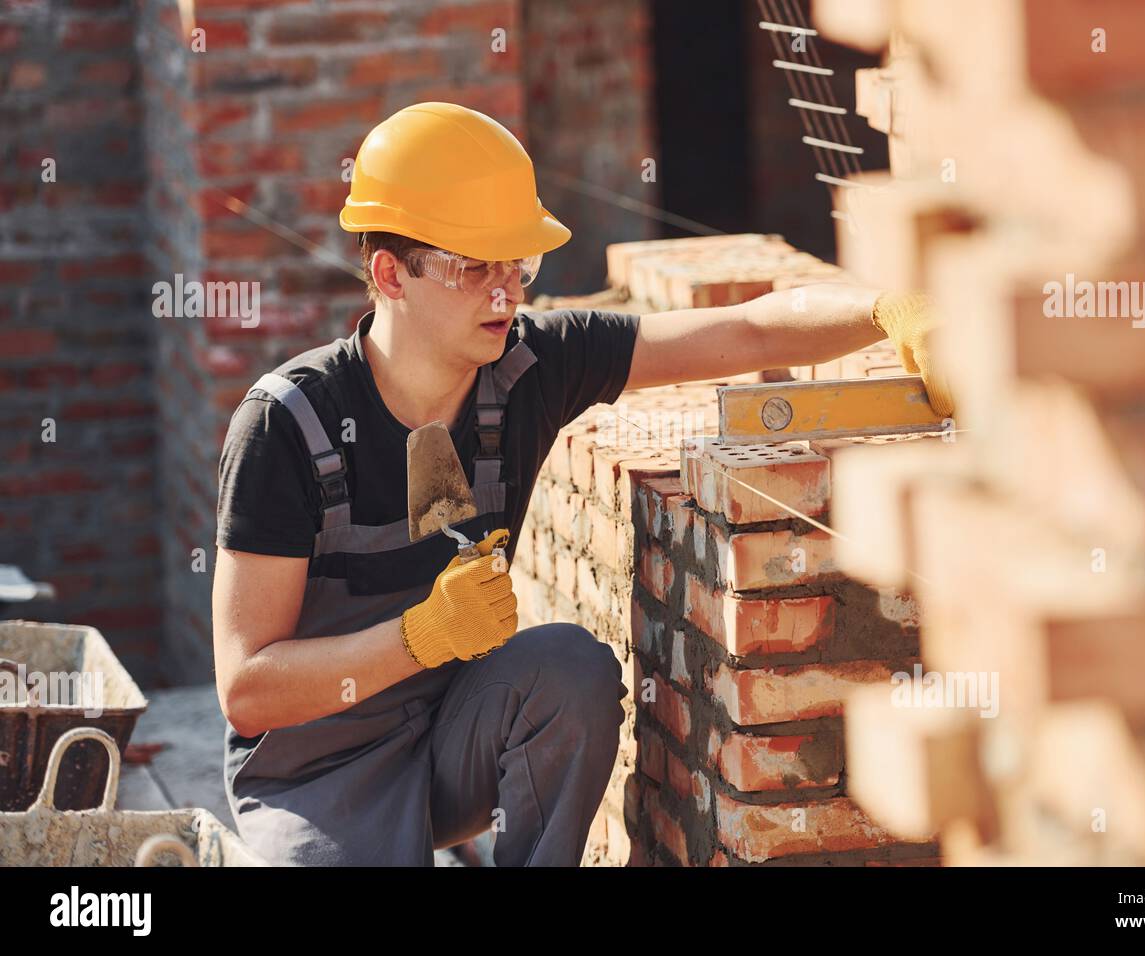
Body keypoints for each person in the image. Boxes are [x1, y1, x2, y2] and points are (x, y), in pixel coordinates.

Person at [212, 101, 951, 866]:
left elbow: (748, 330)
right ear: (389, 272)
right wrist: (421, 635)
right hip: (314, 774)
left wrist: (884, 311)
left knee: (569, 670)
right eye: (475, 268)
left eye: (517, 266)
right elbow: (249, 690)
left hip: (449, 738)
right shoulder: (288, 426)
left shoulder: (530, 369)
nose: (506, 296)